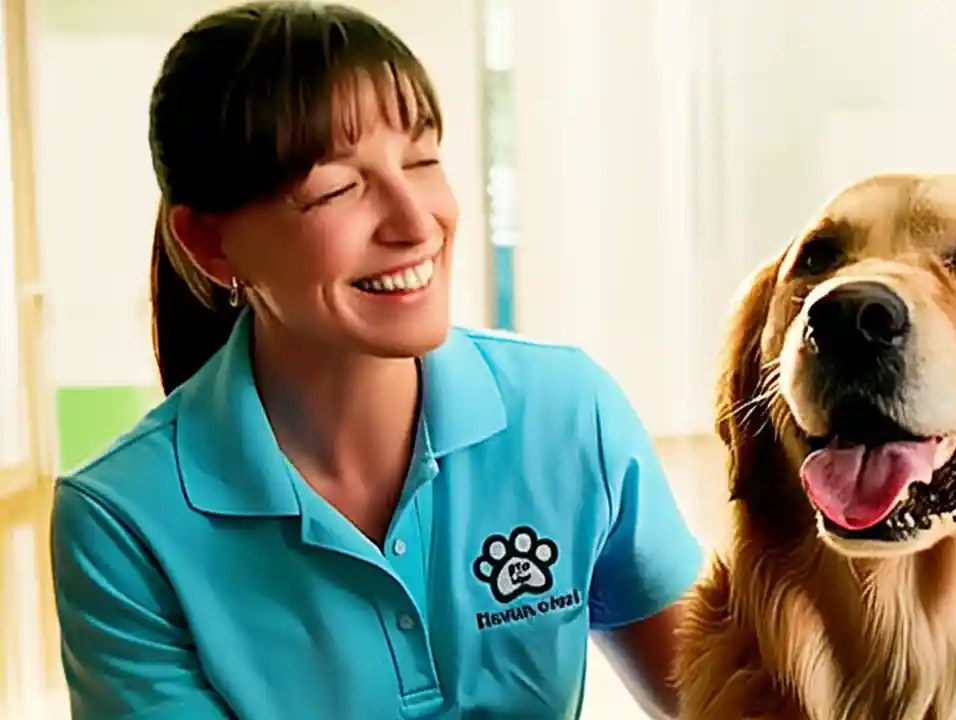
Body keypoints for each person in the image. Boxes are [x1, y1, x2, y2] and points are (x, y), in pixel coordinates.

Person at [48, 3, 704, 718]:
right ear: (211, 245)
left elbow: (719, 698)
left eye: (422, 162)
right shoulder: (121, 522)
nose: (415, 222)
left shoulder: (568, 413)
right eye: (337, 188)